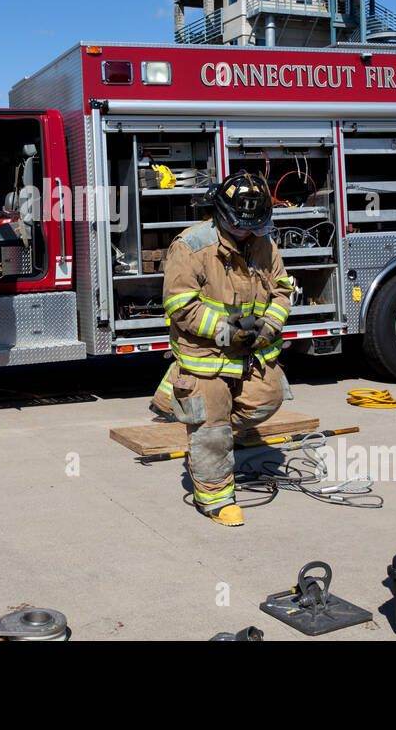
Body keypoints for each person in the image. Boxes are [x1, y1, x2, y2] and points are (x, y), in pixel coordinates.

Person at [160, 171, 295, 528]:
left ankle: (201, 425)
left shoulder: (262, 241)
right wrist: (228, 332)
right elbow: (181, 306)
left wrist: (268, 327)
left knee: (270, 396)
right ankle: (216, 498)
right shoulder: (191, 247)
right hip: (206, 358)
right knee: (212, 424)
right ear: (220, 213)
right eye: (238, 226)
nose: (245, 233)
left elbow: (282, 289)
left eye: (252, 226)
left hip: (249, 356)